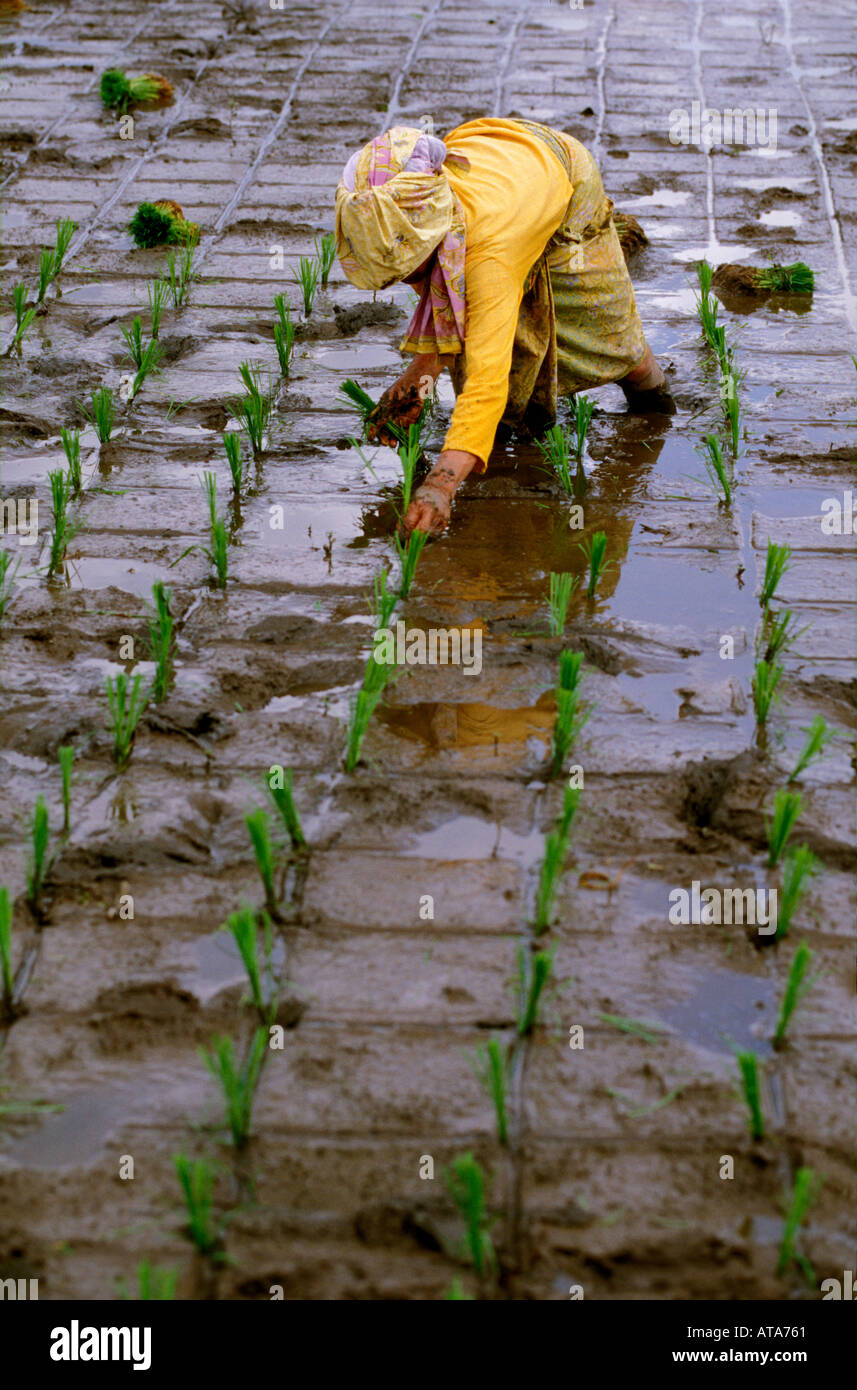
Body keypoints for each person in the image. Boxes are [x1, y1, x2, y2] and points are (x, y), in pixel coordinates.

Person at [334, 118, 674, 538]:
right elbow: (448, 297)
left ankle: (654, 393)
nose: (407, 279)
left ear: (426, 232)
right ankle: (515, 427)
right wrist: (417, 381)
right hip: (508, 165)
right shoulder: (432, 196)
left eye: (407, 265)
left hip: (564, 176)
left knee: (605, 328)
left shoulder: (488, 261)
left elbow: (484, 383)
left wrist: (440, 486)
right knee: (496, 320)